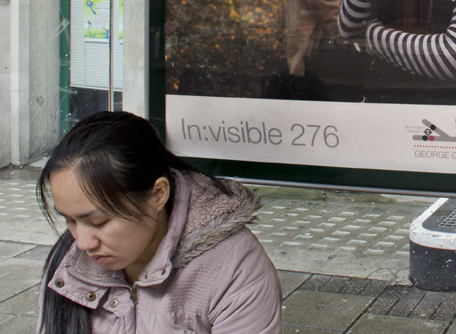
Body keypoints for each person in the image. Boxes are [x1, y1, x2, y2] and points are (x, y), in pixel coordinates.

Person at [35, 111, 282, 334]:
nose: (83, 243)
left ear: (158, 195)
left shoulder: (235, 269)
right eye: (70, 221)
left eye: (99, 221)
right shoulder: (68, 263)